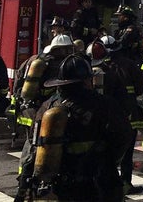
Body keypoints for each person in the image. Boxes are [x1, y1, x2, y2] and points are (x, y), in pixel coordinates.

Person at [15, 54, 130, 201]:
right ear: (87, 80)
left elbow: (33, 148)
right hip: (97, 183)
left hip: (60, 186)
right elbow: (123, 136)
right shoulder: (104, 104)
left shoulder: (47, 106)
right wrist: (107, 160)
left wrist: (23, 189)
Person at [93, 35, 143, 195]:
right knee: (127, 152)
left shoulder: (99, 67)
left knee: (106, 150)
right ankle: (125, 183)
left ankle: (105, 182)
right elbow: (141, 88)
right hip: (129, 114)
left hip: (107, 116)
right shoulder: (129, 65)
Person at [10, 34, 75, 144]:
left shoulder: (36, 60)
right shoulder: (69, 63)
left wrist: (17, 96)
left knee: (35, 137)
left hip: (37, 104)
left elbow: (19, 78)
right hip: (56, 103)